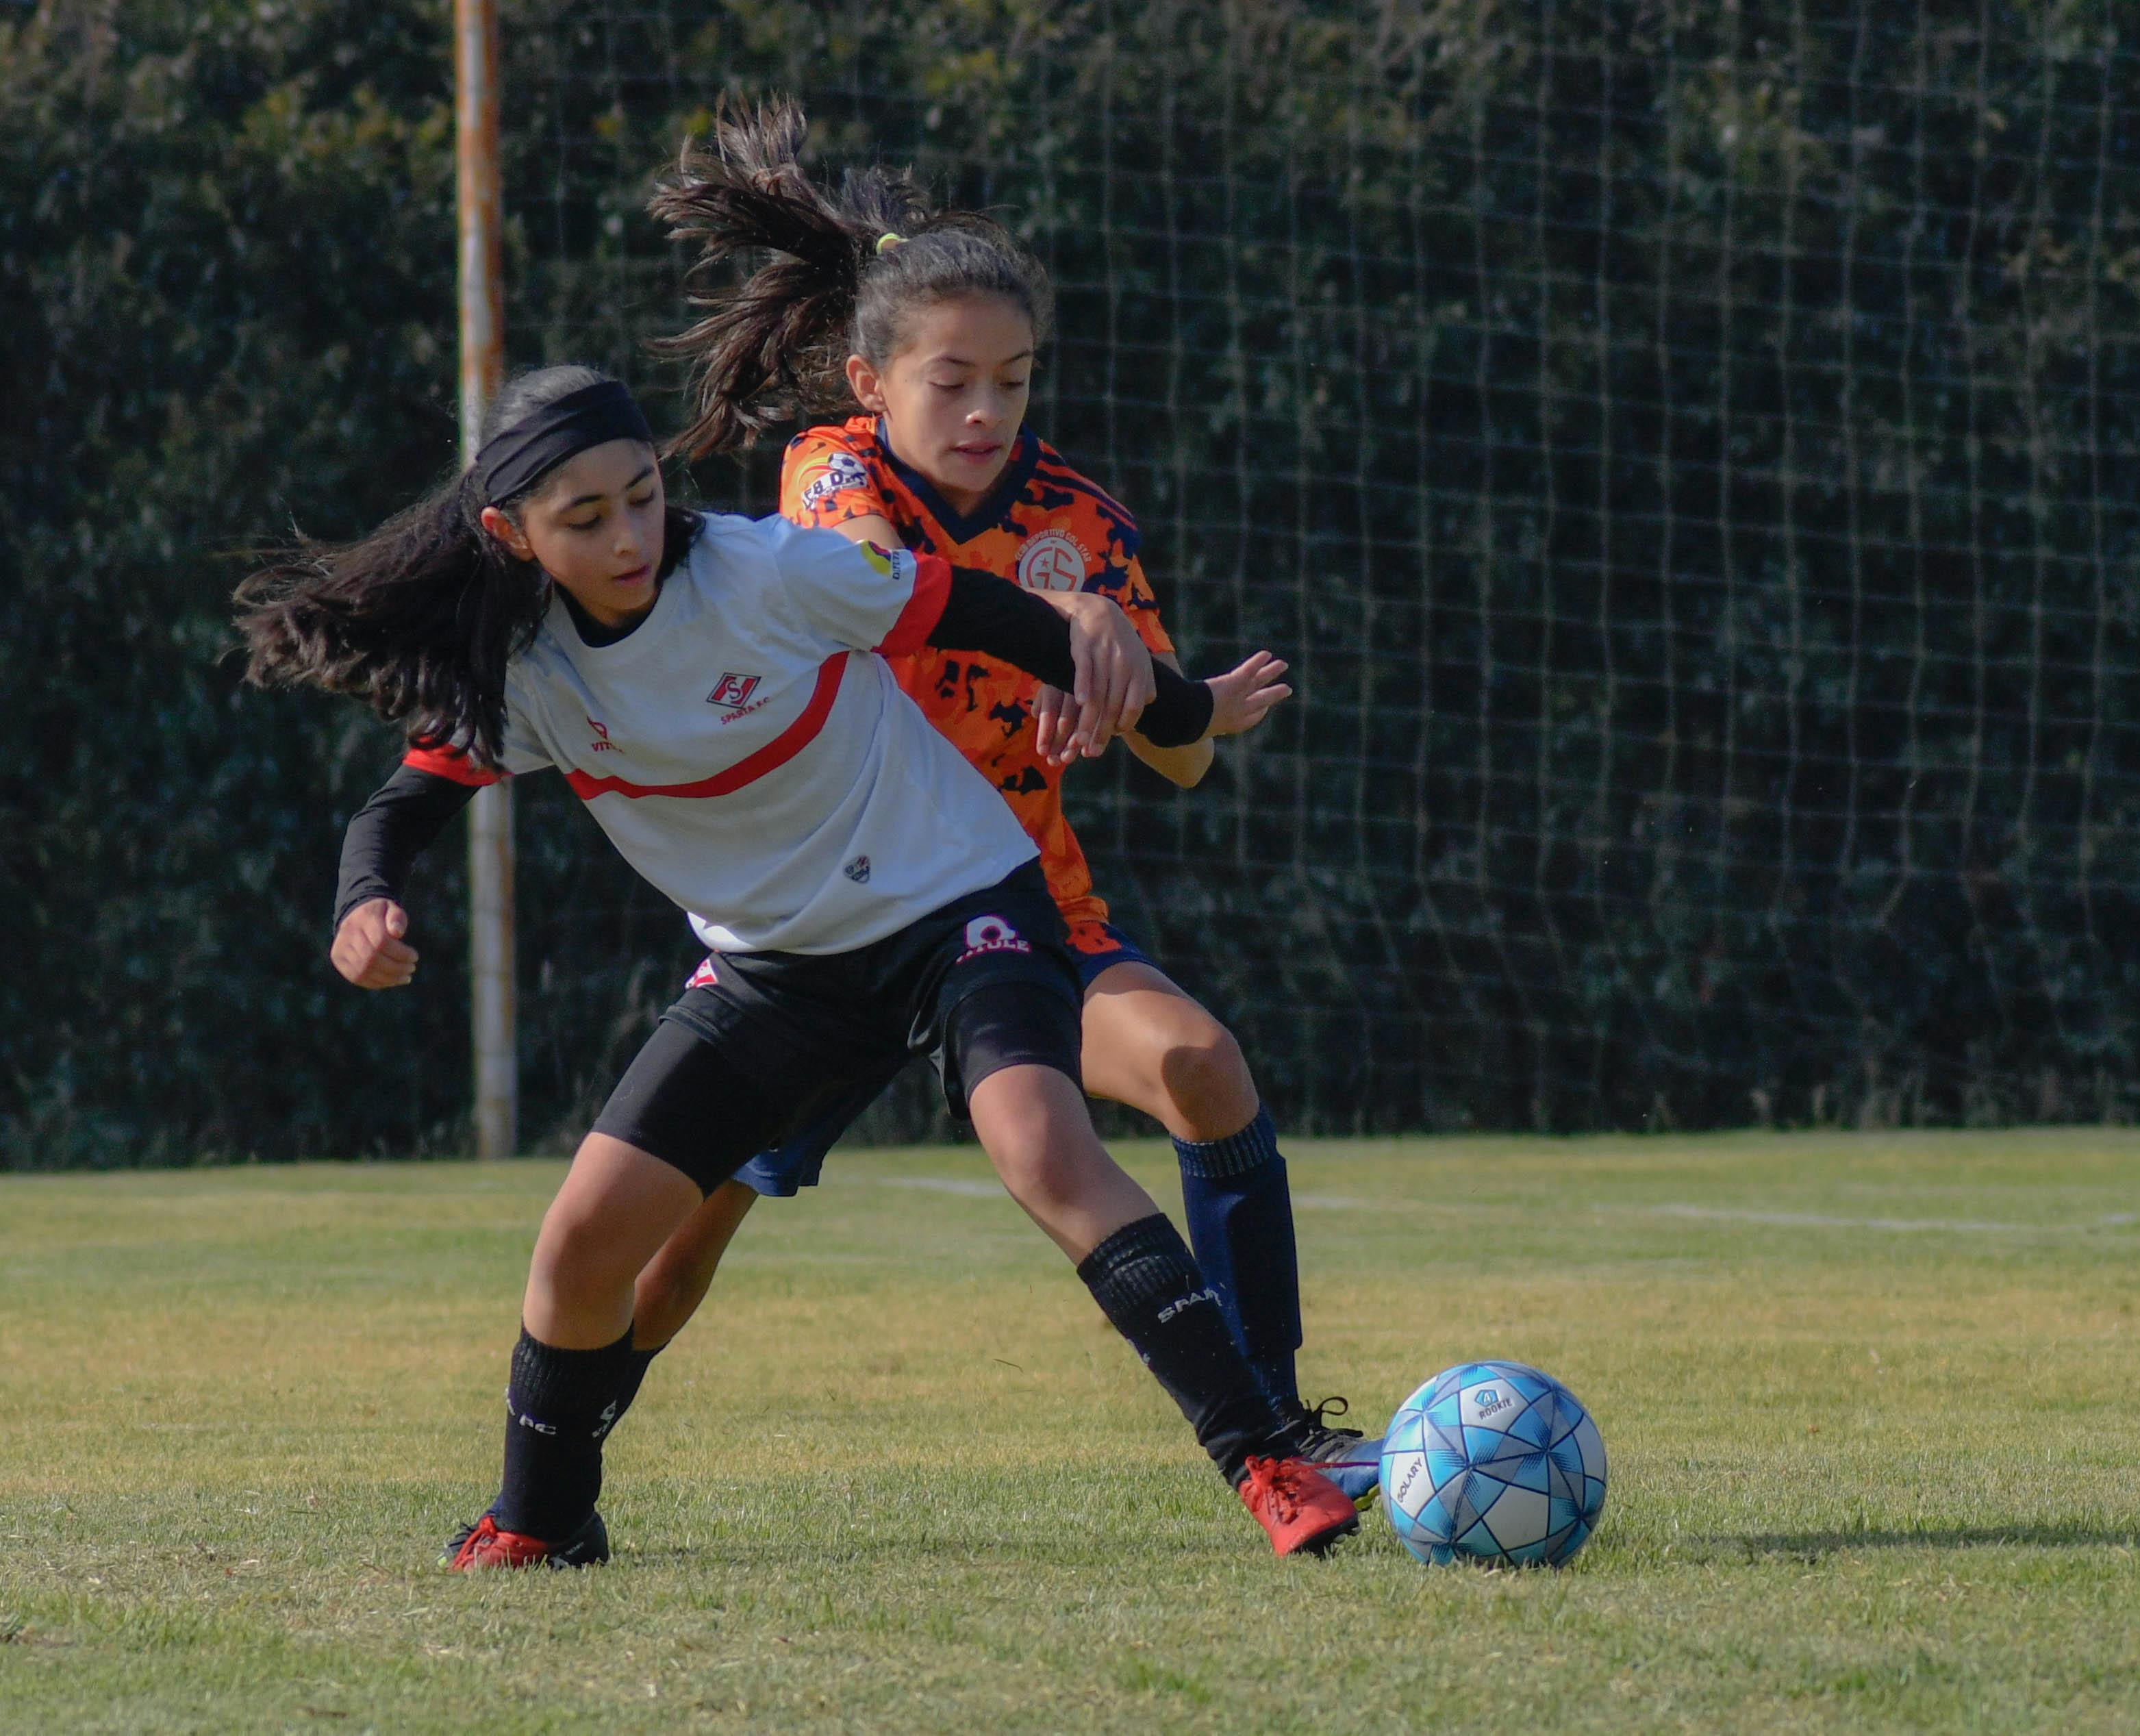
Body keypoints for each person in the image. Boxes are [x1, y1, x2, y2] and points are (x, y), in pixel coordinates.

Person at [233, 362, 1357, 1567]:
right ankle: (540, 1523)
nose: (630, 535)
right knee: (585, 1246)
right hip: (777, 976)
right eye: (586, 518)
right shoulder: (529, 675)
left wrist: (1175, 707)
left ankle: (1264, 1456)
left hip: (957, 909)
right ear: (511, 535)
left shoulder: (774, 570)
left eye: (642, 495)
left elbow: (993, 616)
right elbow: (395, 813)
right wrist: (367, 904)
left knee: (1041, 1145)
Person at [616, 96, 1382, 1501]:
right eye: (951, 380)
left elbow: (1181, 756)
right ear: (870, 381)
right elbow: (871, 601)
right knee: (667, 1266)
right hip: (822, 929)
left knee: (1200, 1062)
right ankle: (559, 1457)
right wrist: (1061, 626)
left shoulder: (1080, 520)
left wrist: (1142, 693)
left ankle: (1279, 1421)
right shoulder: (830, 475)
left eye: (1014, 382)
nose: (985, 411)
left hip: (1015, 916)